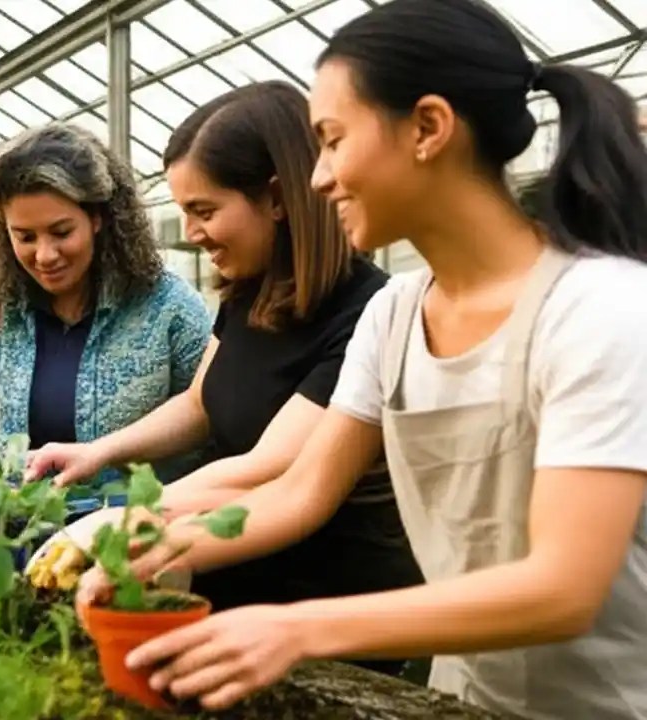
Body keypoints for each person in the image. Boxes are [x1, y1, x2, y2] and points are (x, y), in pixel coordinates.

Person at [76, 1, 647, 717]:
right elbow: (297, 496)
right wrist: (151, 543)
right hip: (463, 697)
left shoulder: (602, 308)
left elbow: (564, 588)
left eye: (333, 140)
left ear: (429, 129)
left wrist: (296, 629)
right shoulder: (396, 315)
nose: (317, 178)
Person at [25, 82, 423, 675]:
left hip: (330, 615)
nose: (189, 232)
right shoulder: (249, 294)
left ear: (278, 199)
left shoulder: (366, 313)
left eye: (204, 210)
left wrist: (129, 517)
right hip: (232, 582)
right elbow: (198, 405)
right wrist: (97, 452)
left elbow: (271, 467)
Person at [0, 122, 213, 556]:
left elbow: (211, 416)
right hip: (10, 533)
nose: (44, 255)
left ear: (99, 218)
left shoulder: (167, 306)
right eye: (24, 237)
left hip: (126, 537)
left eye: (62, 232)